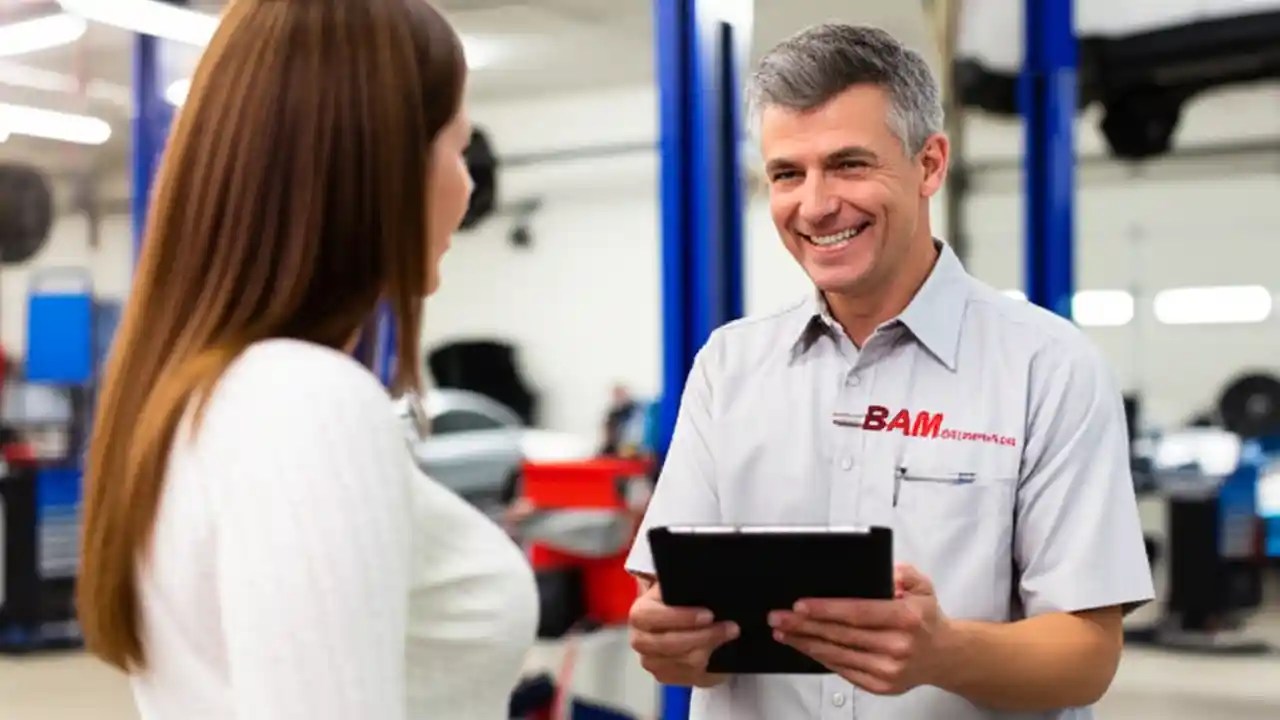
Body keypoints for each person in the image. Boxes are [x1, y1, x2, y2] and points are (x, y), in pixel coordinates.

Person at [624, 23, 1154, 720]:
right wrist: (670, 642)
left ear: (929, 164)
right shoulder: (729, 365)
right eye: (788, 173)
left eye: (848, 164)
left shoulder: (1047, 369)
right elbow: (666, 608)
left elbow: (1088, 655)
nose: (814, 205)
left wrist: (944, 653)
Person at [75, 2, 537, 719]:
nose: (467, 185)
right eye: (455, 146)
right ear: (373, 162)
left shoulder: (202, 397)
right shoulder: (306, 400)